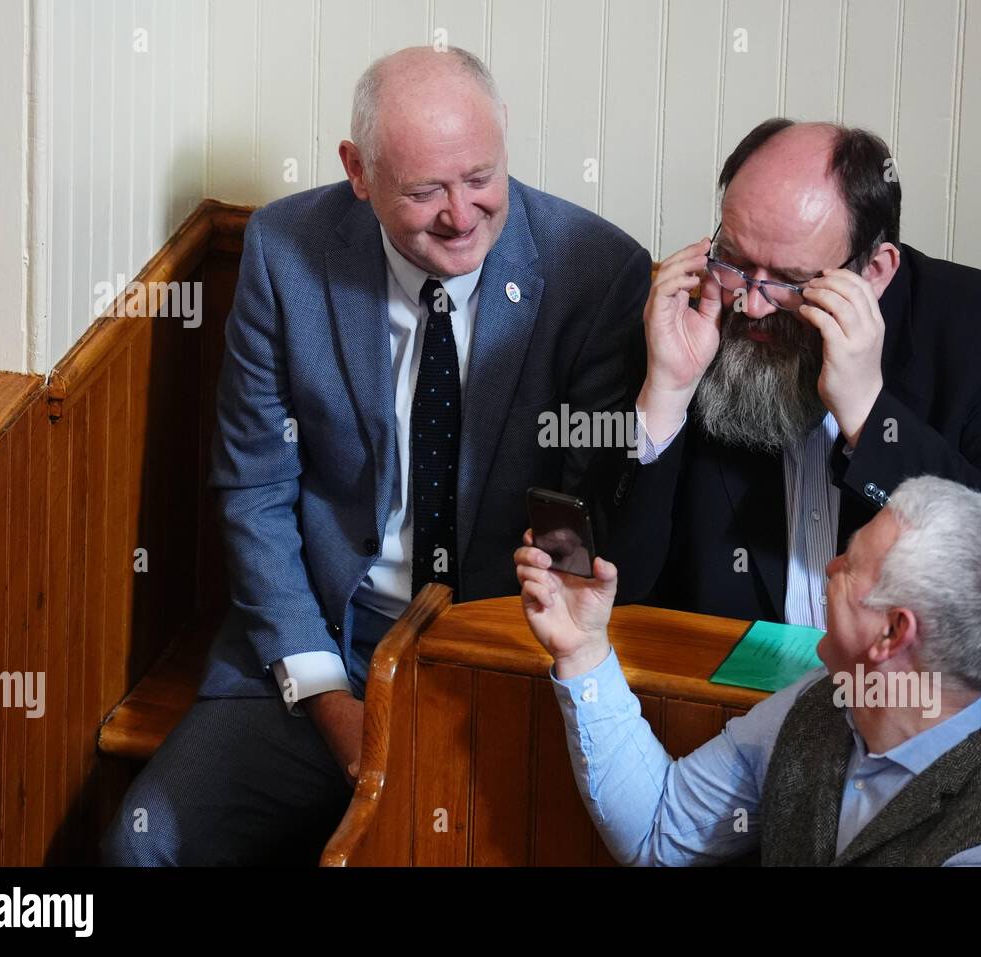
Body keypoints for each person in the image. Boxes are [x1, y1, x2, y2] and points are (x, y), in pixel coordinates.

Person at [102, 45, 650, 865]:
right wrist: (328, 696)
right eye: (424, 190)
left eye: (480, 176)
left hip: (505, 662)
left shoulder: (596, 270)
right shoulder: (286, 251)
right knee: (141, 845)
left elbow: (598, 522)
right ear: (358, 172)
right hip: (326, 640)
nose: (461, 215)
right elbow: (254, 492)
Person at [594, 119, 981, 674]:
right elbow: (615, 586)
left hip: (942, 713)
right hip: (727, 709)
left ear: (877, 270)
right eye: (737, 261)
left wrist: (868, 415)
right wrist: (666, 393)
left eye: (791, 280)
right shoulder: (689, 314)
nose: (753, 304)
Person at [515, 475, 981, 866]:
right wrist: (583, 649)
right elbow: (659, 827)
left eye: (849, 563)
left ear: (892, 633)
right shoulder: (826, 697)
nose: (830, 564)